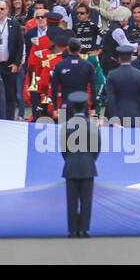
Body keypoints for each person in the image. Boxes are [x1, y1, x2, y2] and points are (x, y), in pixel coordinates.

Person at [61, 91, 99, 238]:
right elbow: (97, 148)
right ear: (85, 107)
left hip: (70, 166)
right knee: (86, 201)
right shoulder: (92, 126)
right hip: (88, 166)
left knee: (72, 201)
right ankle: (83, 229)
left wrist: (70, 160)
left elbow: (63, 150)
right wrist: (89, 160)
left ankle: (72, 230)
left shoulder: (66, 126)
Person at [102, 43, 140, 127]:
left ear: (119, 58)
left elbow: (111, 99)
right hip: (135, 114)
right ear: (131, 58)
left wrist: (113, 118)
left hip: (117, 114)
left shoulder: (112, 74)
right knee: (134, 139)